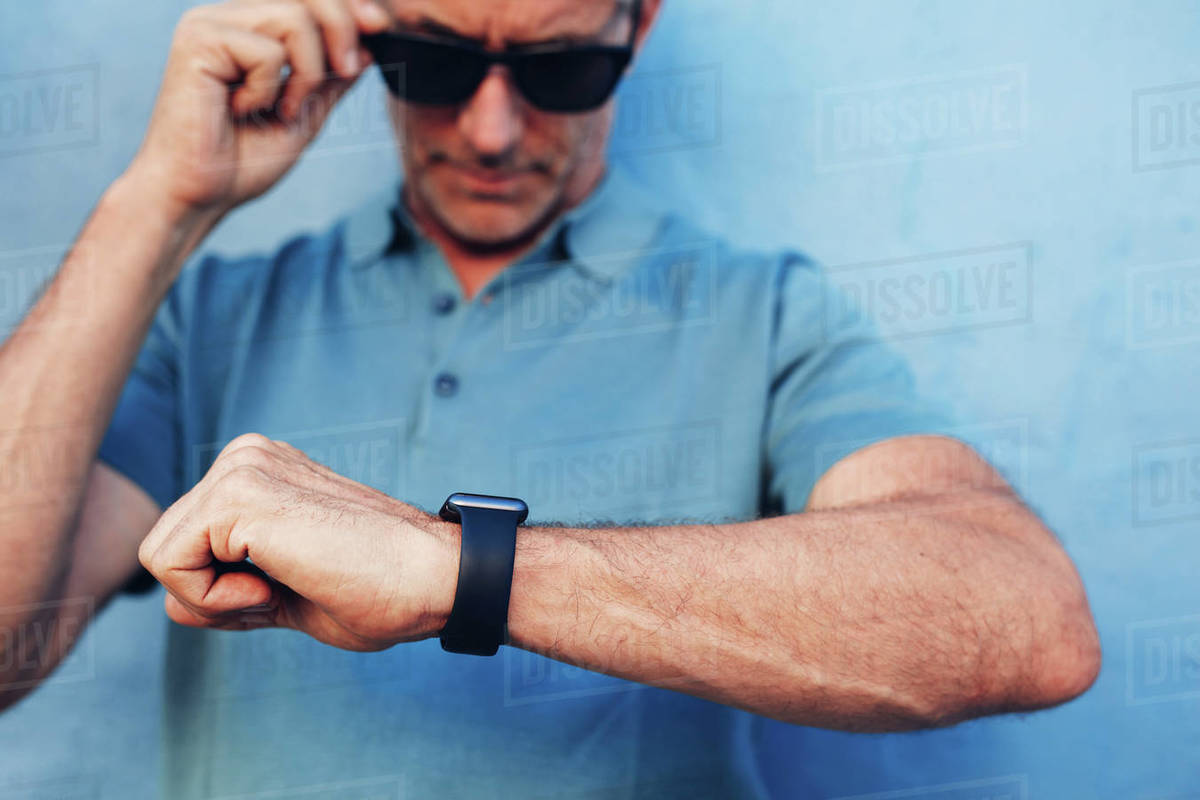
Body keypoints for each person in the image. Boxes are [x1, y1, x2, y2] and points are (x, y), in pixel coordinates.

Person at [0, 0, 1100, 797]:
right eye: (429, 59)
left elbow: (1030, 622)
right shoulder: (217, 316)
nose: (489, 130)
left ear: (640, 28)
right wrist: (160, 201)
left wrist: (454, 568)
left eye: (560, 68)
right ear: (361, 33)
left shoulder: (760, 312)